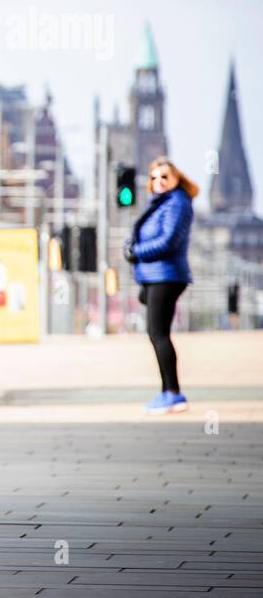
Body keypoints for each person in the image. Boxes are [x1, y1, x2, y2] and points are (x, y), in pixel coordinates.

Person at [123, 156, 197, 415]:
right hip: (157, 275)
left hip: (166, 276)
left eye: (164, 177)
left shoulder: (176, 203)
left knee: (158, 334)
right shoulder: (163, 203)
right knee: (157, 334)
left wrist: (137, 252)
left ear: (177, 179)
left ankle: (173, 393)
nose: (158, 182)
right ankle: (169, 392)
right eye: (154, 177)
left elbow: (168, 241)